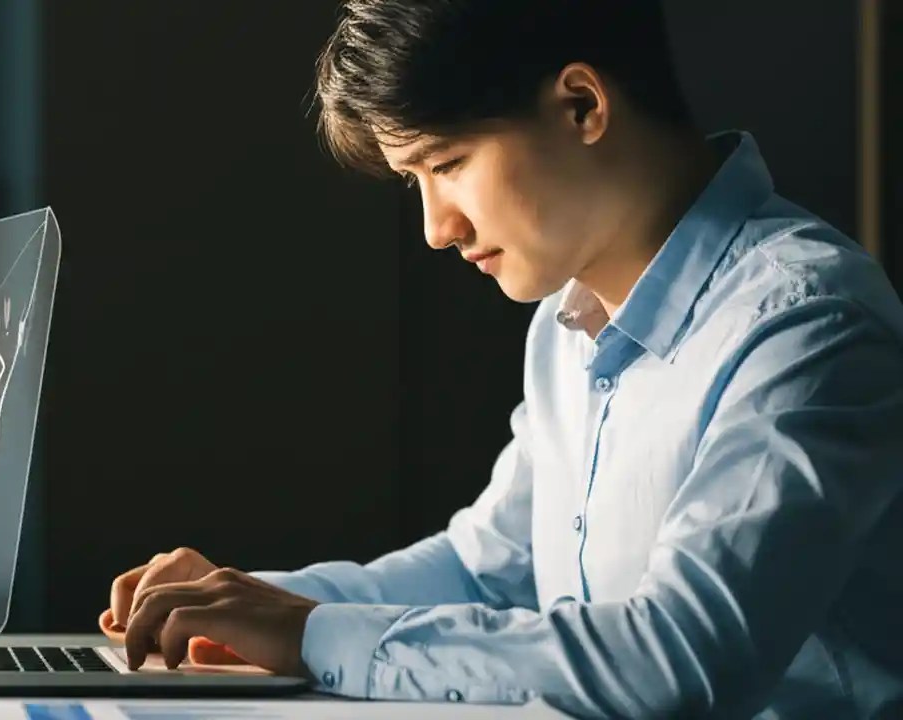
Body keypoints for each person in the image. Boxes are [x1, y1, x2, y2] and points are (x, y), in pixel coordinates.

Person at [100, 1, 903, 717]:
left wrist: (310, 633)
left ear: (582, 105)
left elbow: (681, 658)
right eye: (412, 180)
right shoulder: (569, 320)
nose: (435, 228)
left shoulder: (805, 320)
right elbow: (489, 572)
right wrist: (246, 605)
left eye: (447, 165)